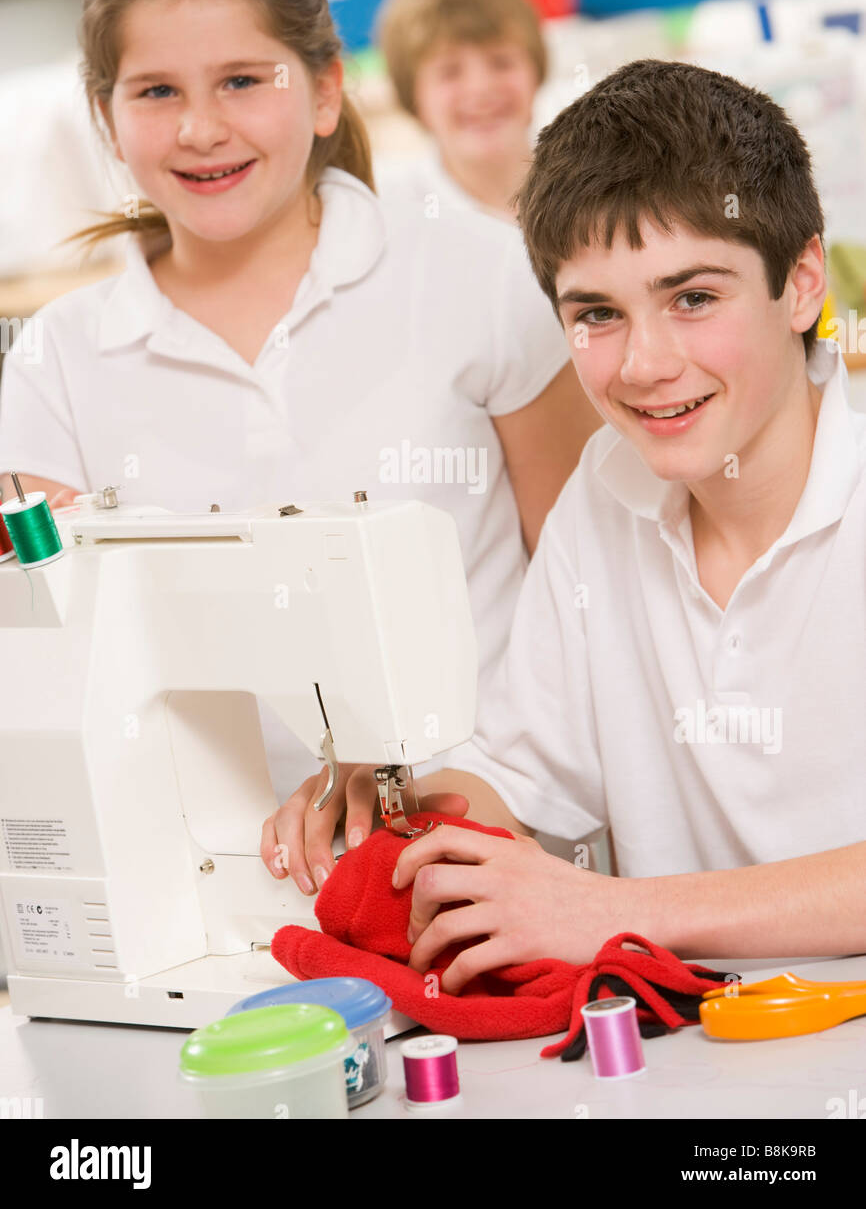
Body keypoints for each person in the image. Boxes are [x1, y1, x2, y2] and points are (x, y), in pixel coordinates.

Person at [0, 0, 594, 836]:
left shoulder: (476, 274)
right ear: (106, 120)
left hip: (489, 848)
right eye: (156, 91)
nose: (201, 128)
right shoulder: (57, 362)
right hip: (205, 886)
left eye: (242, 80)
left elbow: (592, 593)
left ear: (325, 91)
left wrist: (455, 786)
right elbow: (60, 666)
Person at [272, 60, 866, 979]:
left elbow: (592, 908)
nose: (645, 364)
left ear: (800, 283)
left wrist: (614, 912)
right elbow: (519, 781)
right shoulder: (608, 491)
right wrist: (401, 797)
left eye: (694, 297)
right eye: (597, 313)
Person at [375, 0, 547, 223]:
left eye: (501, 63)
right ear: (413, 96)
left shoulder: (595, 183)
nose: (481, 88)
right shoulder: (389, 213)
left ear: (536, 73)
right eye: (450, 72)